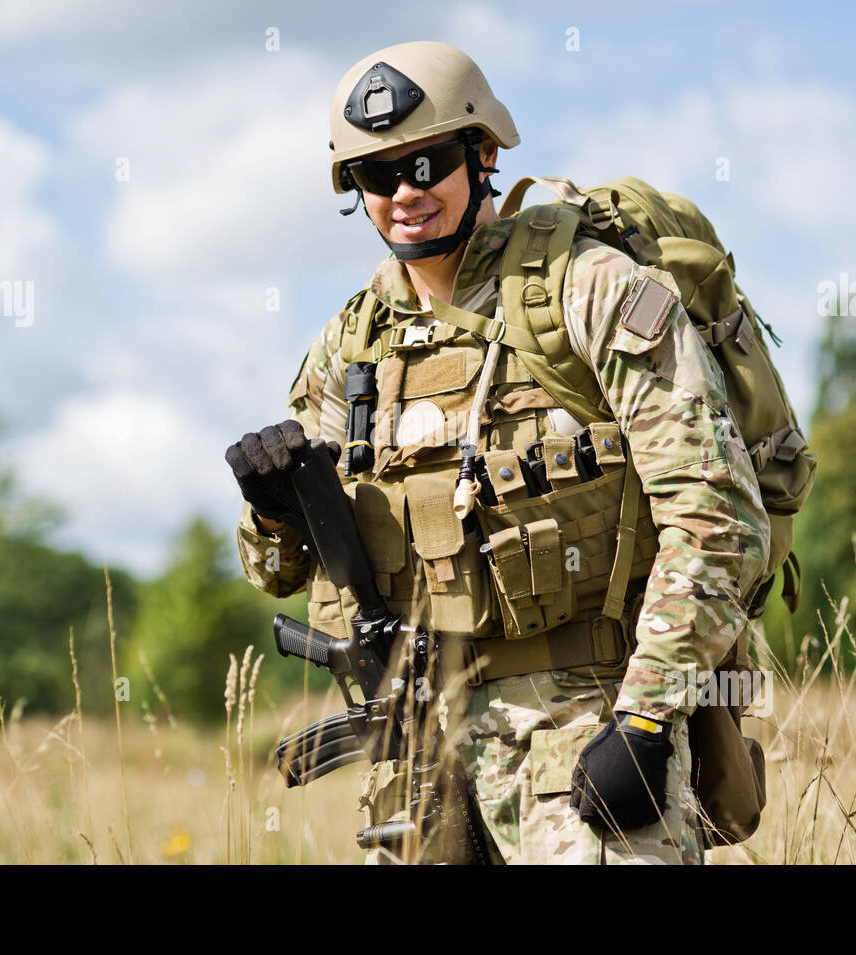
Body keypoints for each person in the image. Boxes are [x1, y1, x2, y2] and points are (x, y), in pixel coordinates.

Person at [227, 40, 770, 865]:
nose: (404, 194)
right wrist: (270, 510)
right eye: (378, 176)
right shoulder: (353, 344)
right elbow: (276, 572)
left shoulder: (586, 289)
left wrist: (649, 719)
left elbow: (717, 515)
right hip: (417, 759)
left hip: (589, 734)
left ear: (482, 154)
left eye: (426, 163)